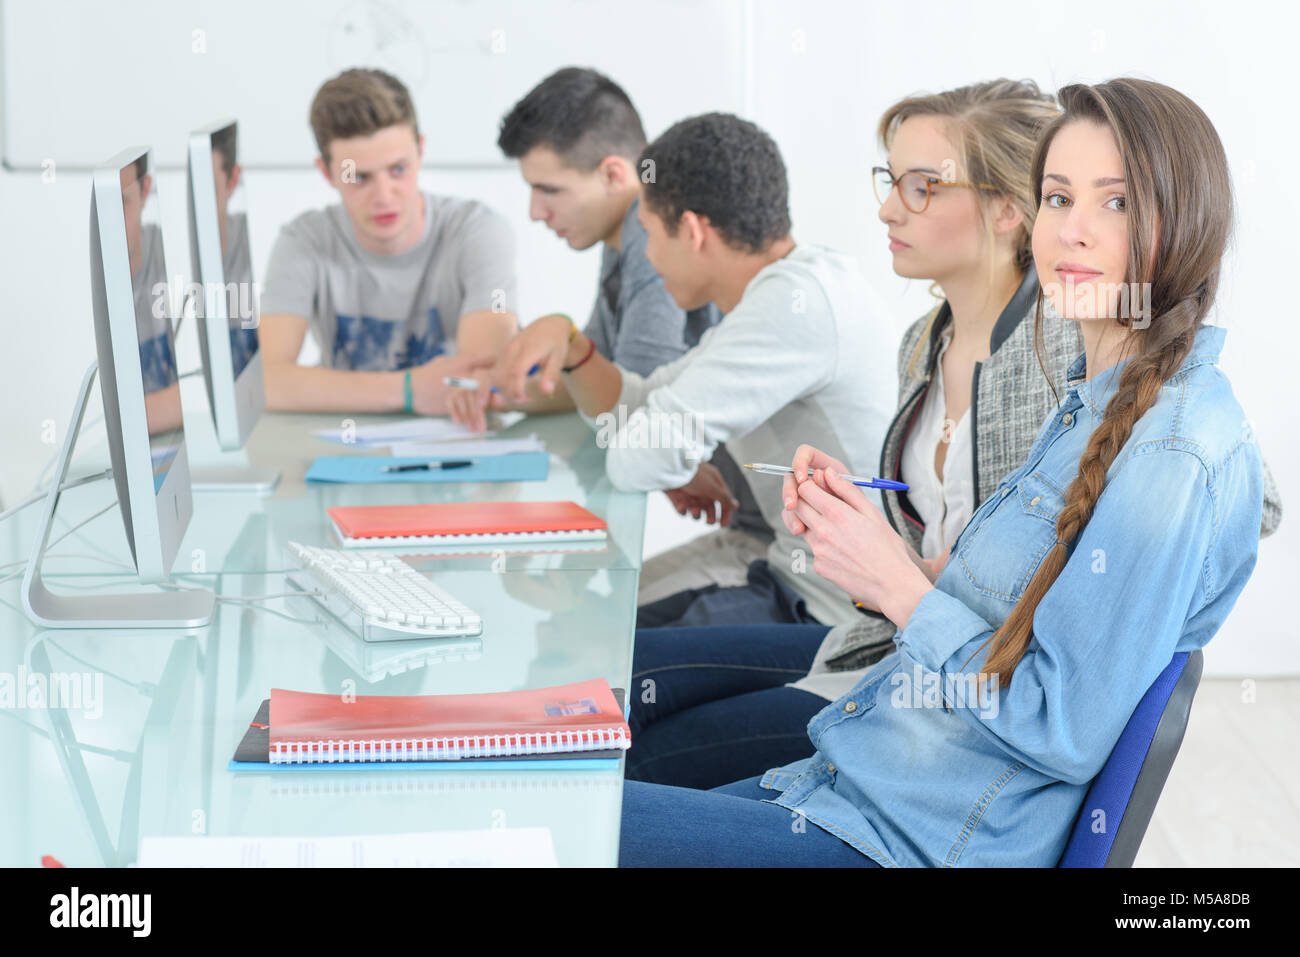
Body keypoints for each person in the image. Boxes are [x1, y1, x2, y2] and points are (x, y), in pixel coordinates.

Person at [618, 77, 1268, 867]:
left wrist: (904, 587)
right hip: (862, 779)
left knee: (559, 825)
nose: (1075, 231)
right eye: (1059, 198)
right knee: (570, 803)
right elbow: (1019, 603)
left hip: (918, 835)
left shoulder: (1170, 447)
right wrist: (895, 561)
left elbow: (1058, 722)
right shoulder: (1085, 398)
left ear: (1186, 219)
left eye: (1117, 203)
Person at [481, 112, 898, 630]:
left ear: (694, 232)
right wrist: (570, 345)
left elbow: (639, 457)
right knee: (598, 627)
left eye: (650, 234)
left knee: (607, 647)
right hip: (783, 568)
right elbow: (638, 403)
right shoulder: (780, 293)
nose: (648, 256)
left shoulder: (796, 303)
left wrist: (661, 452)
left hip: (833, 608)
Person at [258, 68, 518, 415]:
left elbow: (476, 376)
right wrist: (410, 390)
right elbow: (265, 382)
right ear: (326, 172)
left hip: (455, 439)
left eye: (398, 169)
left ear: (421, 150)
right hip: (343, 444)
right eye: (360, 177)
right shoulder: (304, 241)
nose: (384, 196)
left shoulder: (478, 232)